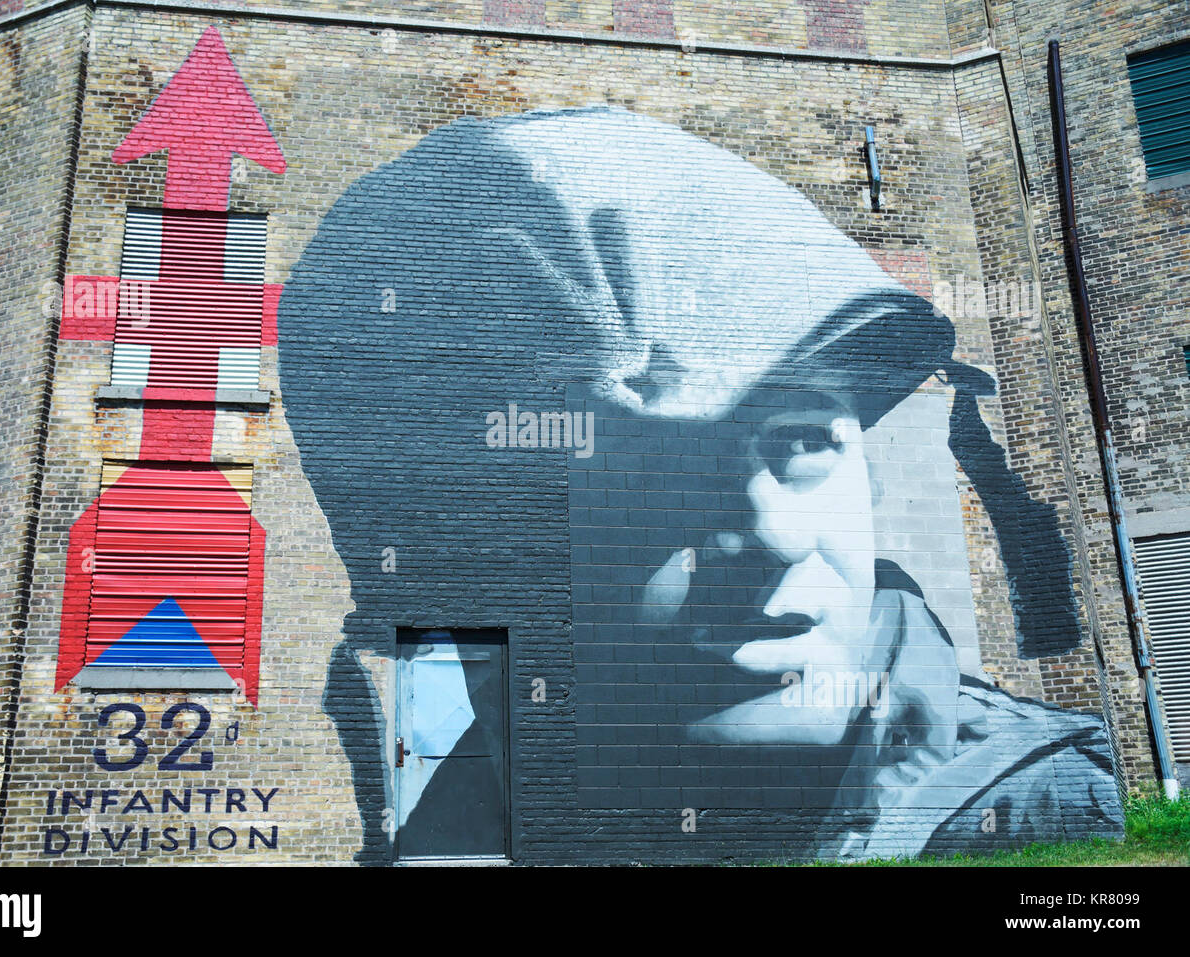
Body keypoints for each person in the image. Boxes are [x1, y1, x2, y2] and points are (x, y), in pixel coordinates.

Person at [279, 105, 1122, 861]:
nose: (776, 534)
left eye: (803, 437)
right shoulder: (472, 820)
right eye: (659, 466)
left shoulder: (1047, 815)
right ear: (474, 561)